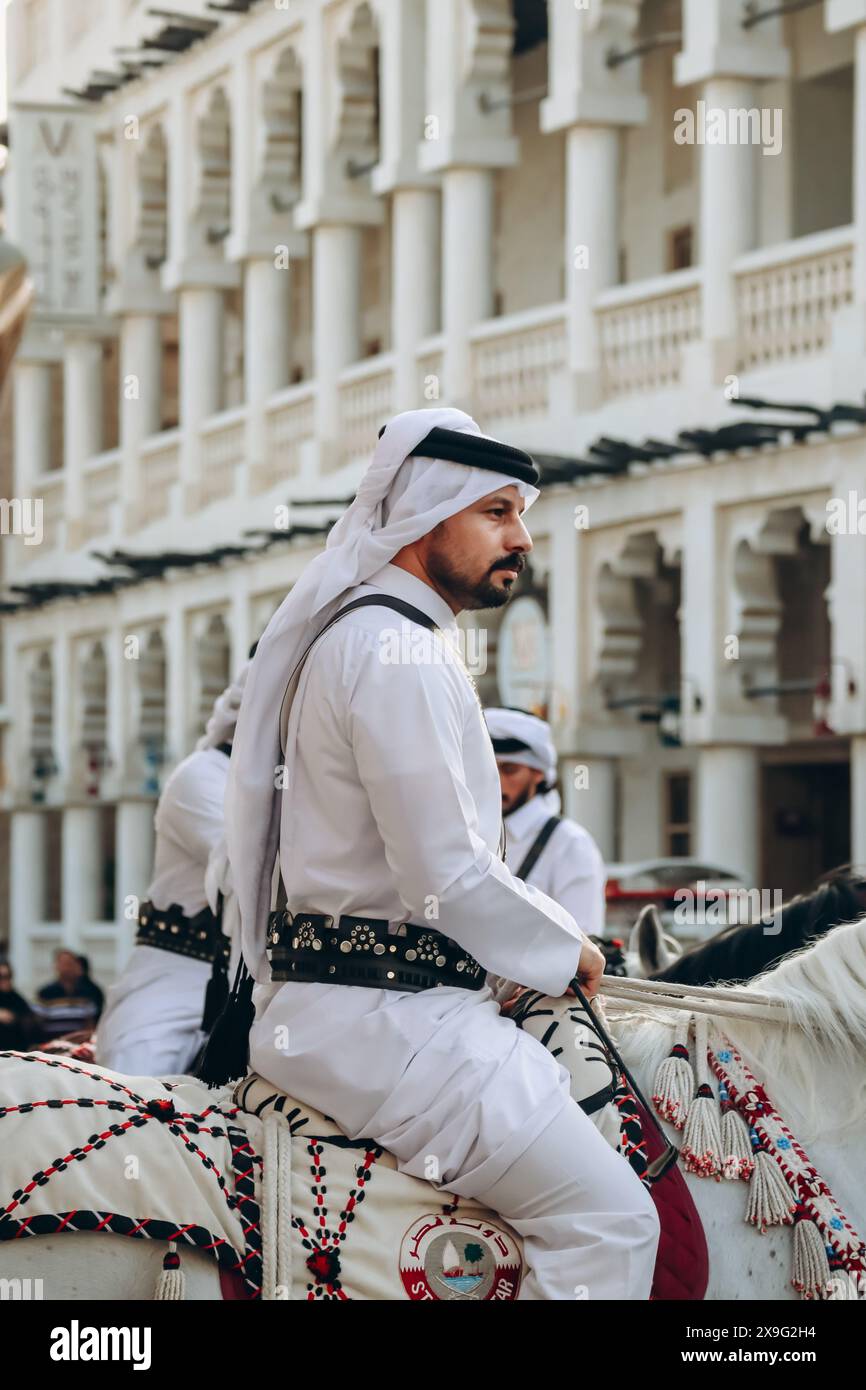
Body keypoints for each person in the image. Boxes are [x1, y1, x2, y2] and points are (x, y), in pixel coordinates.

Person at [217, 406, 659, 1300]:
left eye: (521, 515)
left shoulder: (379, 639)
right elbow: (443, 873)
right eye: (497, 513)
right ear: (426, 515)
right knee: (609, 1219)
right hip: (391, 1026)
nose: (522, 539)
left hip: (383, 1012)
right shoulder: (396, 650)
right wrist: (563, 947)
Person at [94, 666, 248, 1075]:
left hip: (259, 989)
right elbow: (249, 869)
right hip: (177, 978)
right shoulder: (200, 776)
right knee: (136, 1093)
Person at [484, 707, 606, 938]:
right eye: (489, 768)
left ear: (538, 772)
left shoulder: (569, 844)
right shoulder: (471, 832)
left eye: (510, 770)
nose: (497, 781)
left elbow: (581, 941)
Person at [33, 950, 104, 1043]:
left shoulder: (87, 992)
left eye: (70, 963)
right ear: (56, 966)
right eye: (63, 963)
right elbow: (37, 1023)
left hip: (79, 1046)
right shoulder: (46, 992)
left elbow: (90, 1023)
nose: (67, 968)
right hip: (53, 1046)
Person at [0, 959, 35, 1050]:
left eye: (8, 976)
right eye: (1, 977)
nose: (4, 980)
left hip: (15, 1053)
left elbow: (29, 1023)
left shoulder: (17, 998)